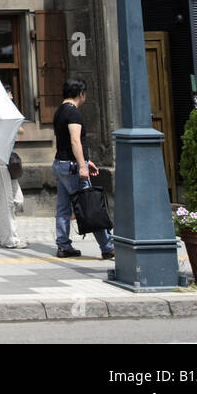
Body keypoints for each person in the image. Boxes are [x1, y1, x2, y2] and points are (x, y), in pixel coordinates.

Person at [53, 78, 115, 260]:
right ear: (81, 93)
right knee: (90, 206)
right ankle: (108, 246)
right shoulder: (73, 113)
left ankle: (63, 245)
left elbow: (66, 142)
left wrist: (87, 161)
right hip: (72, 167)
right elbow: (74, 140)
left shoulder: (59, 112)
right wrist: (82, 165)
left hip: (60, 165)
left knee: (63, 208)